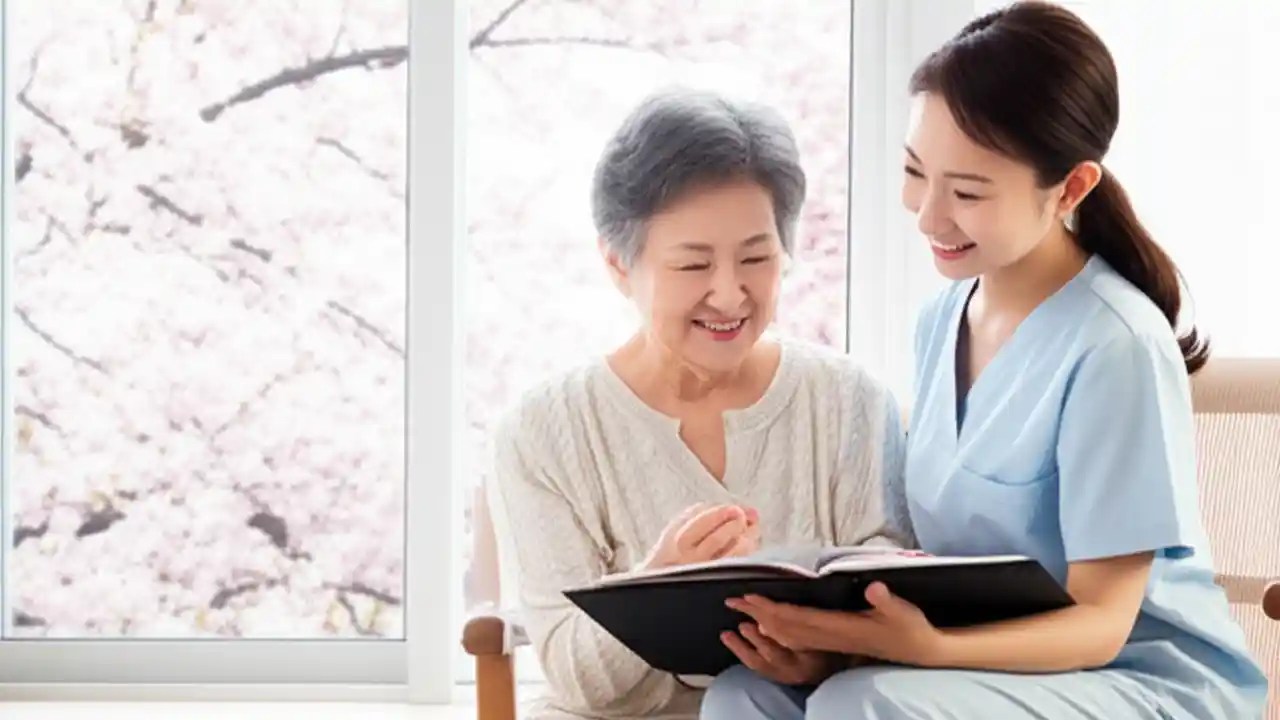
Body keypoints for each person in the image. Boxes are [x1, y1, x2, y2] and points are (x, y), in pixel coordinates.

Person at [699, 3, 1268, 719]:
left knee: (863, 705)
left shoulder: (1117, 346)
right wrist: (838, 640)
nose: (929, 215)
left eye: (967, 192)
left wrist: (922, 651)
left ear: (1070, 188)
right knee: (745, 694)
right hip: (979, 668)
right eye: (915, 172)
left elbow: (1102, 623)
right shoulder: (941, 321)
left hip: (1144, 682)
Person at [486, 88, 912, 720]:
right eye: (693, 265)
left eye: (756, 258)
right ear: (618, 265)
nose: (729, 293)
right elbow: (577, 680)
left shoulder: (850, 404)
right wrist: (654, 586)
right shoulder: (545, 432)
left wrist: (828, 656)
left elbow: (896, 607)